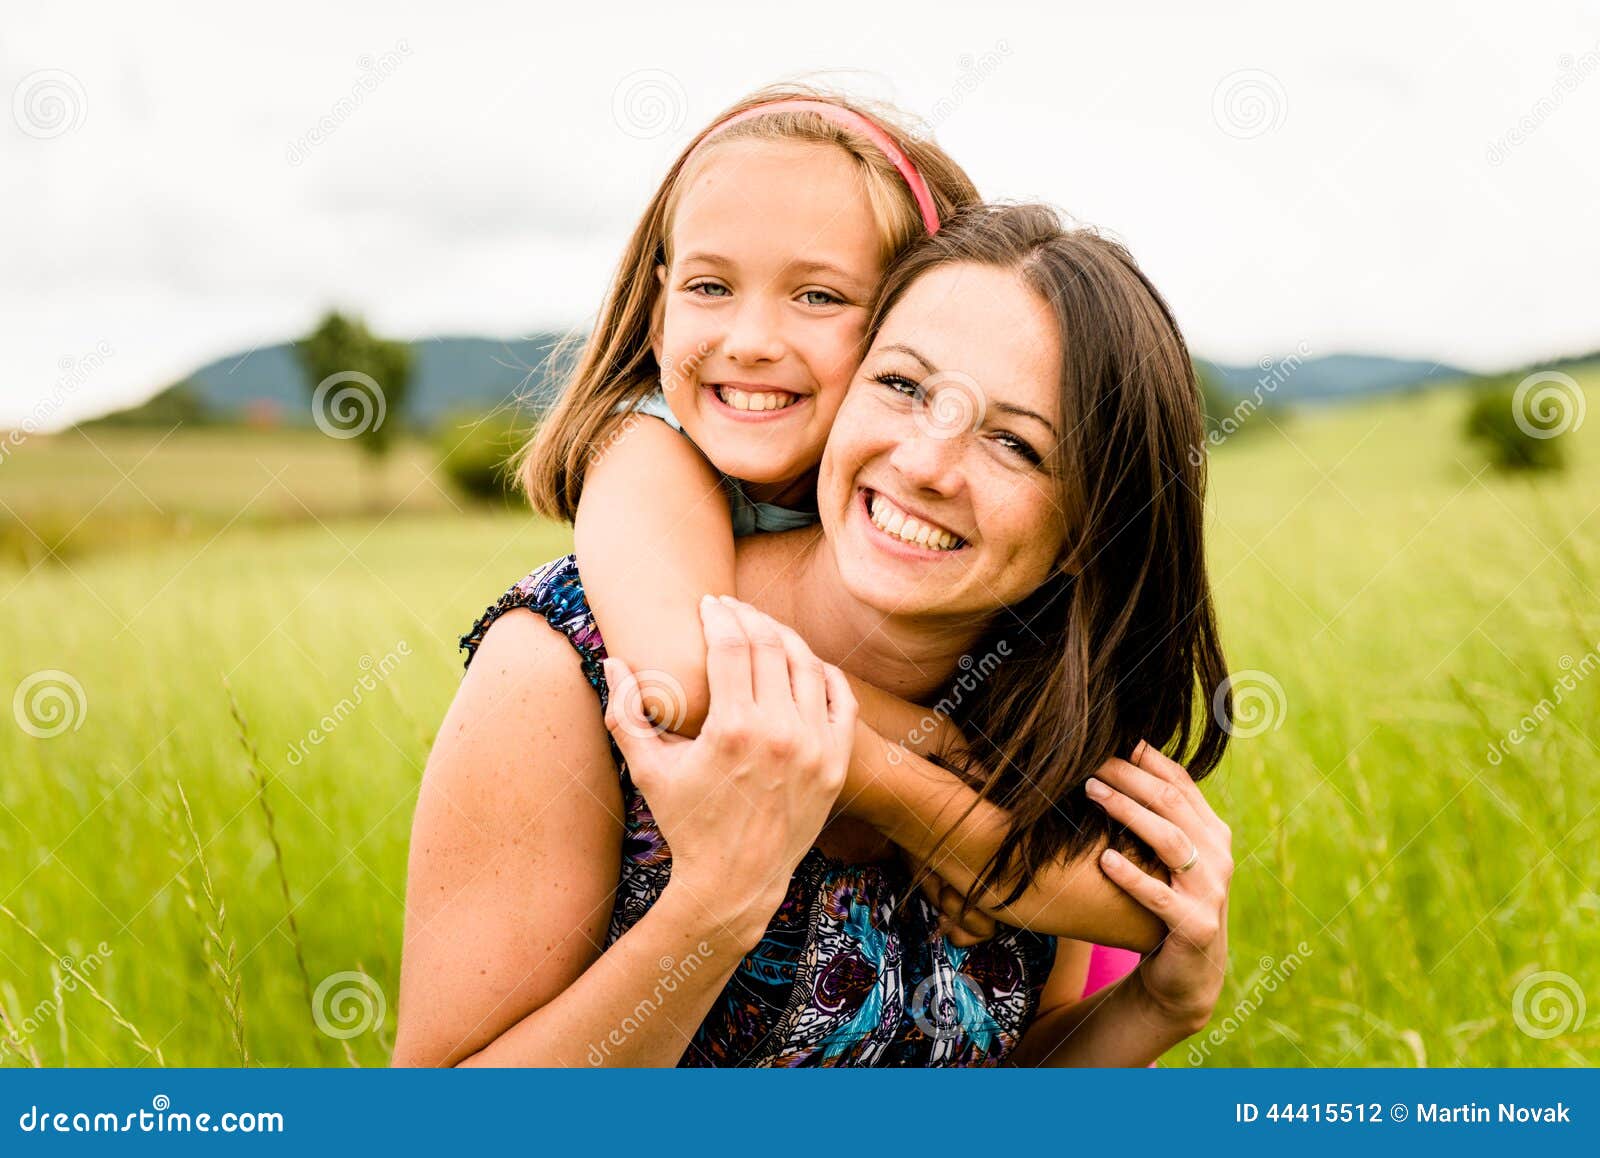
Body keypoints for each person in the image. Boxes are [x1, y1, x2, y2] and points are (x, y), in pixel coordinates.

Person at [392, 202, 1235, 1067]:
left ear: (1094, 529)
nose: (922, 464)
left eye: (1015, 445)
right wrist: (716, 907)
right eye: (903, 387)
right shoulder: (574, 667)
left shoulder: (1032, 711)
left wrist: (1153, 1010)